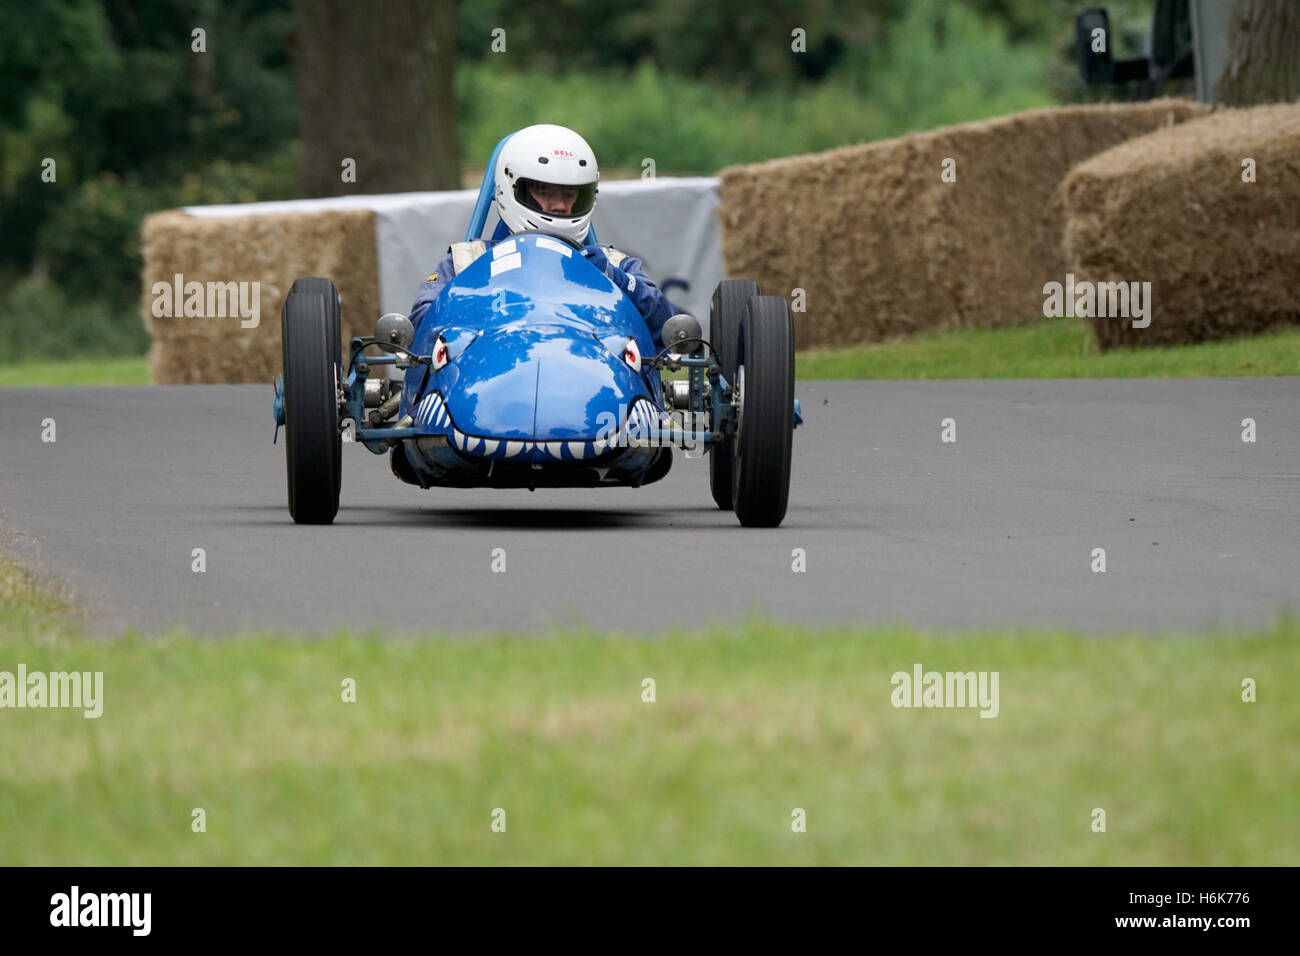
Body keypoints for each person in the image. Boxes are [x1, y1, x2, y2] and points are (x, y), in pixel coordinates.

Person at [408, 124, 684, 349]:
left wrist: (620, 282)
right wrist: (477, 289)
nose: (560, 206)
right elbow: (421, 327)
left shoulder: (616, 264)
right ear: (511, 188)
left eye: (569, 194)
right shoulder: (466, 262)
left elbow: (672, 332)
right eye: (545, 191)